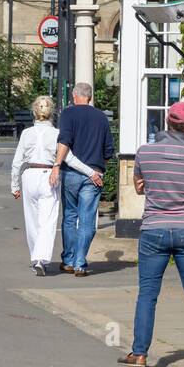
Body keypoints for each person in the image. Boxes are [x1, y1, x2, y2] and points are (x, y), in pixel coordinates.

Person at [119, 100, 184, 367]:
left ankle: (139, 353)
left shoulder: (144, 153)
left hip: (154, 229)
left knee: (148, 295)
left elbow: (140, 188)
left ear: (167, 122)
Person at [10, 96, 101, 275]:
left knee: (32, 220)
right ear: (52, 113)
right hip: (48, 176)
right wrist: (91, 172)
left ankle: (36, 257)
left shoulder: (26, 134)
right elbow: (70, 159)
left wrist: (14, 185)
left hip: (29, 175)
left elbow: (17, 161)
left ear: (35, 112)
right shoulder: (57, 134)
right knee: (47, 220)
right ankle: (41, 258)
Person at [50, 82, 114, 276]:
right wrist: (97, 168)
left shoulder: (68, 114)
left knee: (70, 216)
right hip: (94, 175)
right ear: (90, 97)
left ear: (75, 96)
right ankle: (80, 262)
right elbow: (109, 149)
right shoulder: (101, 117)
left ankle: (68, 260)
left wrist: (56, 165)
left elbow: (64, 141)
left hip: (71, 173)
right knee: (87, 220)